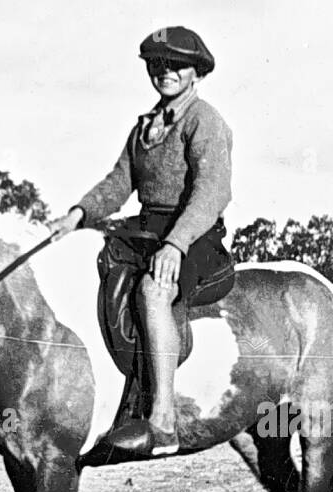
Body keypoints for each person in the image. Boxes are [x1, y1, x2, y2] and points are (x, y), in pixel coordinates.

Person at [48, 26, 233, 456]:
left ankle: (163, 422)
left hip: (193, 233)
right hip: (148, 230)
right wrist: (78, 214)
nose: (165, 72)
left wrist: (176, 245)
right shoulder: (146, 126)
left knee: (154, 290)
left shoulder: (205, 120)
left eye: (176, 65)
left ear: (196, 72)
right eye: (157, 64)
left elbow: (212, 192)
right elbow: (119, 181)